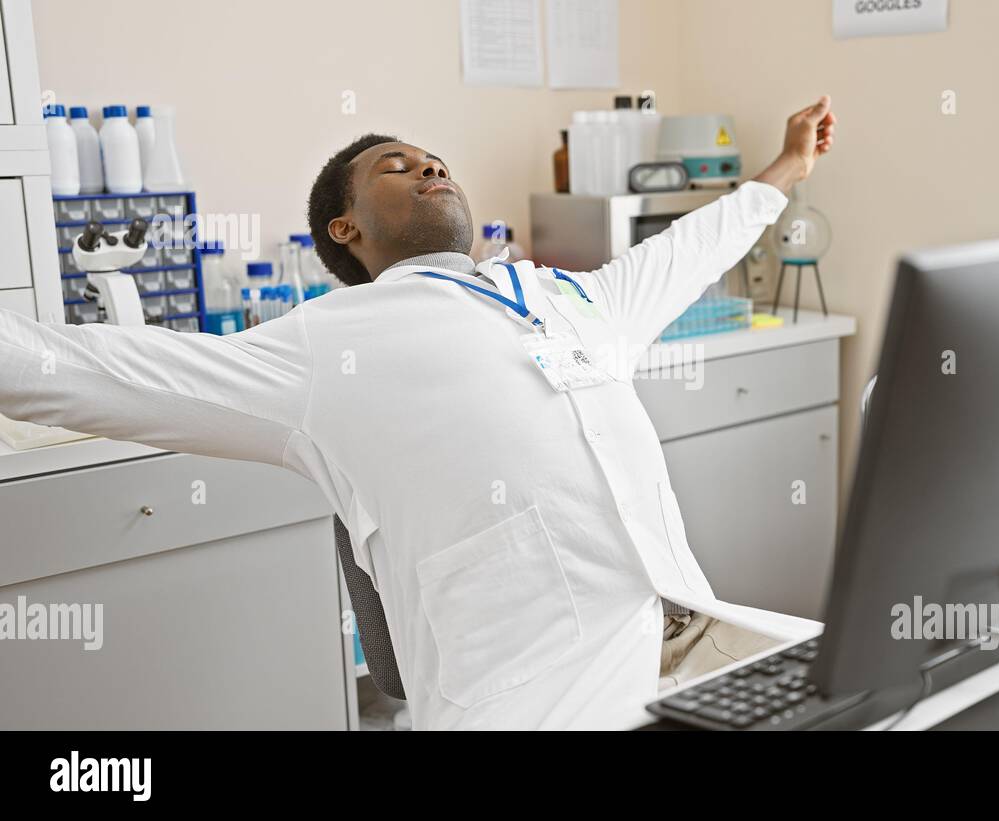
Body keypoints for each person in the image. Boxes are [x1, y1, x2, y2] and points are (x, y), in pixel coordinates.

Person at [0, 96, 837, 729]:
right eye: (396, 168)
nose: (431, 168)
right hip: (537, 704)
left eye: (436, 159)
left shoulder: (564, 298)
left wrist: (785, 169)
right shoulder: (325, 344)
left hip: (689, 656)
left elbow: (684, 251)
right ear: (346, 227)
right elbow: (105, 370)